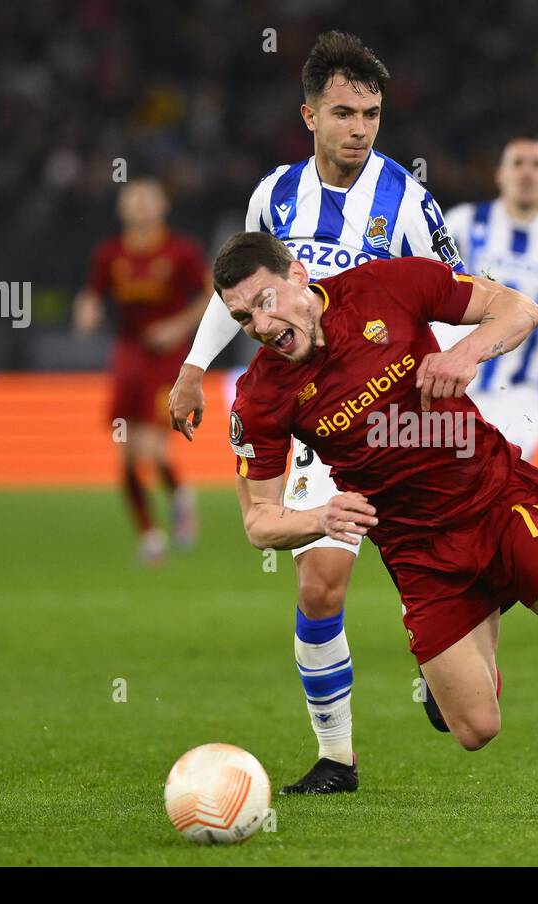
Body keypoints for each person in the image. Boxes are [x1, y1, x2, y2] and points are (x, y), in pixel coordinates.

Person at [218, 230, 538, 809]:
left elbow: (520, 308)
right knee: (474, 729)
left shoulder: (388, 285)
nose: (260, 326)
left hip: (500, 501)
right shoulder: (259, 396)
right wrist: (318, 516)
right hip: (418, 551)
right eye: (242, 319)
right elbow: (259, 522)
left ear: (297, 275)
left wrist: (466, 352)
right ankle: (488, 605)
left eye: (264, 302)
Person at [166, 32, 466, 795]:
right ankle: (338, 759)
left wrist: (451, 377)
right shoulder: (273, 196)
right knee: (320, 586)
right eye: (344, 112)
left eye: (371, 113)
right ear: (309, 115)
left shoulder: (408, 201)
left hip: (394, 414)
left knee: (433, 565)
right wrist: (195, 367)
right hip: (305, 420)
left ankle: (444, 657)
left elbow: (458, 296)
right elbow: (239, 290)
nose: (360, 129)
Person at [434, 135, 538, 460]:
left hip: (522, 391)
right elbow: (429, 285)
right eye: (518, 163)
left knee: (502, 485)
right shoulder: (464, 223)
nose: (527, 173)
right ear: (500, 174)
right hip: (456, 380)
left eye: (537, 165)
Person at [73, 179, 209, 564]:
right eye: (133, 201)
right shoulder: (110, 254)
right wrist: (87, 309)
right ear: (122, 210)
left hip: (167, 359)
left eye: (148, 200)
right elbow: (93, 292)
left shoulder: (181, 251)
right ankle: (150, 535)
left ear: (162, 207)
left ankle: (179, 494)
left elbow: (209, 294)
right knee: (127, 457)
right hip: (128, 354)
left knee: (151, 447)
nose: (140, 207)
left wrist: (177, 327)